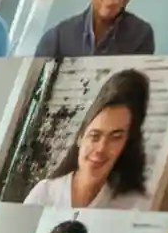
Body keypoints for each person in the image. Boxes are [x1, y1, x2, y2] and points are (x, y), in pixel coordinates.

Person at [24, 69, 150, 209]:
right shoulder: (44, 194)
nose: (101, 148)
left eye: (115, 138)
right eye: (95, 136)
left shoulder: (133, 205)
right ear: (80, 137)